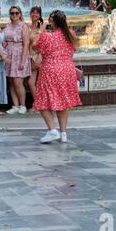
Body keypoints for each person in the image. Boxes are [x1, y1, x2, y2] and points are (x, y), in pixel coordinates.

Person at [33, 10, 82, 143]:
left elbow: (34, 46)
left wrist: (41, 30)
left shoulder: (47, 36)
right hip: (67, 70)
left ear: (52, 22)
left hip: (51, 71)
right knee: (63, 102)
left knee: (42, 101)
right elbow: (72, 51)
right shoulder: (71, 35)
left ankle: (52, 130)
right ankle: (63, 133)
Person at [2, 5, 31, 113]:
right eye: (12, 13)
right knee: (11, 82)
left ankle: (23, 105)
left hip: (19, 55)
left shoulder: (23, 26)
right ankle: (15, 105)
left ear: (20, 14)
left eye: (16, 13)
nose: (14, 15)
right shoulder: (8, 25)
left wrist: (23, 61)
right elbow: (4, 40)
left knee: (18, 82)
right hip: (9, 55)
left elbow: (26, 43)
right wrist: (3, 44)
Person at [27, 6, 45, 105]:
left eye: (37, 13)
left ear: (40, 15)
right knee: (30, 82)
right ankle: (38, 104)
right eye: (33, 12)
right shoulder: (27, 27)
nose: (34, 14)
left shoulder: (43, 26)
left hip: (41, 57)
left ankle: (42, 104)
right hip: (31, 57)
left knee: (41, 83)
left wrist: (40, 57)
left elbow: (45, 43)